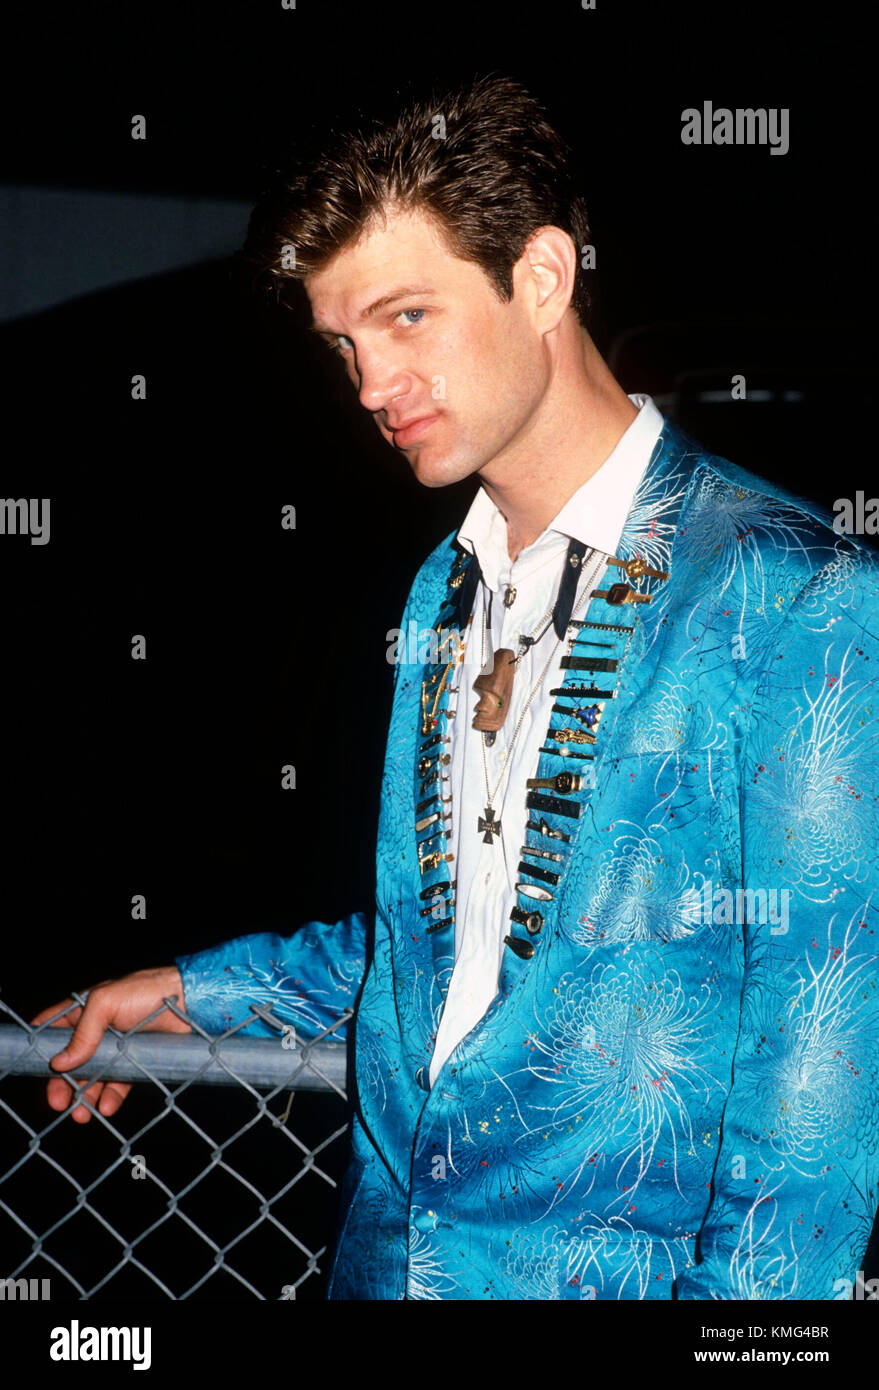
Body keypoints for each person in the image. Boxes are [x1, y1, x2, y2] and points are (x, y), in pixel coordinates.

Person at [33, 74, 879, 1301]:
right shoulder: (443, 587)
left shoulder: (794, 594)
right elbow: (453, 954)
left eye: (407, 317)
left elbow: (814, 1121)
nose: (370, 386)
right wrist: (194, 990)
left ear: (541, 277)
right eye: (344, 345)